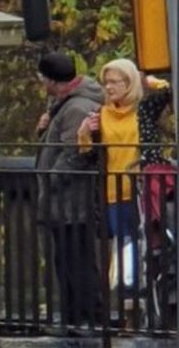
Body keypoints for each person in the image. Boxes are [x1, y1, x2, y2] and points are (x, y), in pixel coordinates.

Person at [78, 58, 172, 287]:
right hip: (114, 190)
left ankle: (149, 292)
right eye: (106, 82)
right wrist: (84, 135)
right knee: (124, 243)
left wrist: (151, 82)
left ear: (129, 83)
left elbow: (169, 91)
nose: (108, 87)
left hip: (143, 189)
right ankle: (128, 293)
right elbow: (90, 158)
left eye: (114, 82)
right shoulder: (100, 114)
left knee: (150, 241)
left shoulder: (144, 110)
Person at [33, 52, 105, 328]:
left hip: (72, 201)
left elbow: (75, 152)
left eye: (42, 78)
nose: (41, 83)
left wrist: (51, 178)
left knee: (76, 261)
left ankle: (86, 318)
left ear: (52, 81)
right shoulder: (63, 104)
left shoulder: (76, 108)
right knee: (67, 260)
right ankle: (76, 316)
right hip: (64, 200)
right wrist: (42, 130)